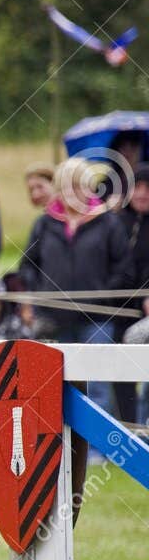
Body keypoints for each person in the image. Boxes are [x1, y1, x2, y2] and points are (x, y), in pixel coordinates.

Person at [22, 156, 130, 416]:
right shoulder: (44, 224)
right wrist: (40, 296)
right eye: (66, 186)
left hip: (97, 320)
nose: (73, 193)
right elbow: (27, 266)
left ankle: (95, 450)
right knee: (59, 384)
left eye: (79, 185)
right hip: (54, 320)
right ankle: (62, 448)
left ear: (91, 188)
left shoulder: (108, 223)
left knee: (97, 384)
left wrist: (102, 297)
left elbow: (124, 270)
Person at [113, 163, 149, 422]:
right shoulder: (115, 221)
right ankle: (128, 427)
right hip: (118, 308)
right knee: (120, 373)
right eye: (138, 187)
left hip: (146, 310)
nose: (143, 193)